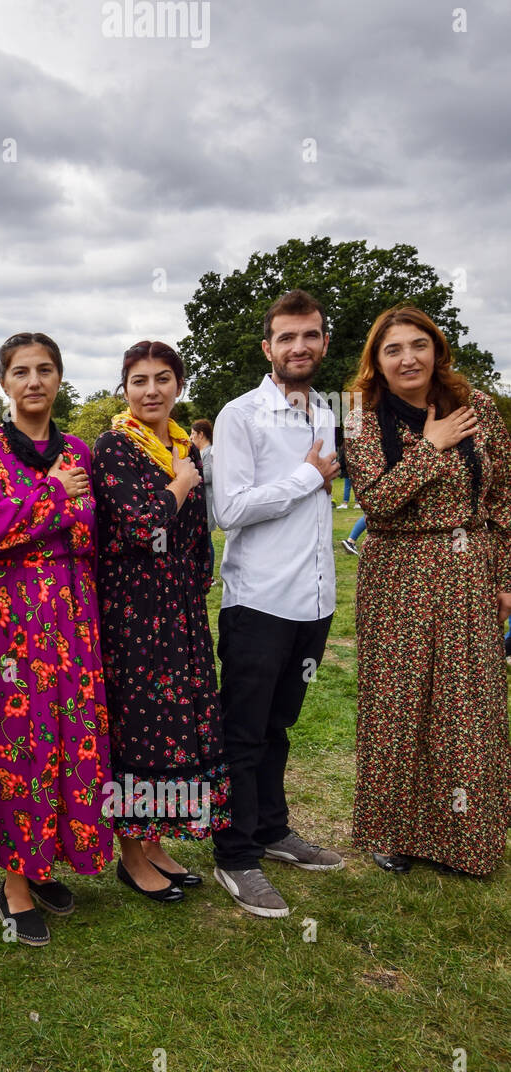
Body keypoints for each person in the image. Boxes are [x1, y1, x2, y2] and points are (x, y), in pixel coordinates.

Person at [344, 305, 511, 875]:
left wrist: (506, 577)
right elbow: (376, 499)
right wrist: (430, 445)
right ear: (377, 362)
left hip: (470, 570)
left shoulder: (478, 407)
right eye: (393, 349)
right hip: (399, 572)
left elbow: (502, 499)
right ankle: (392, 833)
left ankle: (465, 839)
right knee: (398, 702)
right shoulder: (359, 416)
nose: (408, 357)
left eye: (419, 345)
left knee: (468, 705)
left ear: (437, 350)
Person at [0, 332, 113, 947]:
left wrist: (44, 511)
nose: (33, 382)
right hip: (8, 623)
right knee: (18, 745)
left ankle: (47, 860)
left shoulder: (77, 449)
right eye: (20, 371)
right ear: (3, 382)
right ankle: (14, 883)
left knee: (71, 741)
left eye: (45, 370)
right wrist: (51, 495)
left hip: (72, 616)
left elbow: (86, 533)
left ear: (59, 379)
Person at [210, 289, 344, 919]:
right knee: (241, 733)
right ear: (268, 347)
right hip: (258, 602)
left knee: (278, 727)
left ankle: (271, 829)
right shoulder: (241, 415)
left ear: (323, 341)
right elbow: (229, 508)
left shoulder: (329, 412)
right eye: (286, 337)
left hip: (314, 602)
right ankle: (234, 854)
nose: (299, 347)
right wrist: (307, 476)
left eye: (310, 335)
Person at [93, 343, 230, 904]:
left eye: (163, 379)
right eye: (139, 380)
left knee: (176, 725)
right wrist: (179, 485)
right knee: (139, 727)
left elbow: (197, 534)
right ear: (125, 388)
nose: (151, 390)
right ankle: (131, 853)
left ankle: (156, 841)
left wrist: (196, 579)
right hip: (134, 609)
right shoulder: (114, 447)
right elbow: (140, 527)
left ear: (178, 385)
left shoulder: (180, 445)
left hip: (179, 607)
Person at [190, 418, 216, 532]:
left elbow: (208, 475)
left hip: (207, 502)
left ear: (200, 434)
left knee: (206, 538)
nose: (190, 437)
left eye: (192, 433)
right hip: (201, 503)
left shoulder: (209, 451)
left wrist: (190, 476)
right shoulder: (201, 452)